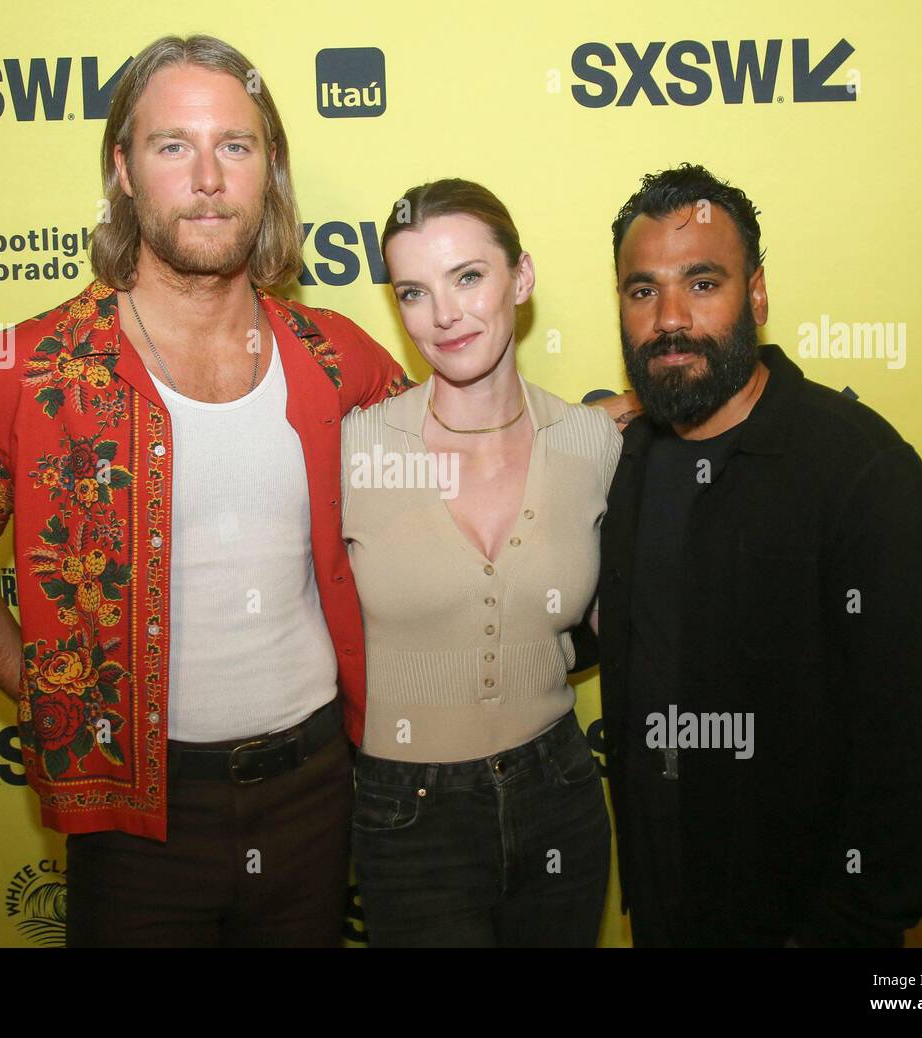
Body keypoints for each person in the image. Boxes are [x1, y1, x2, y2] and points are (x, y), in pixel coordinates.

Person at [0, 33, 412, 947]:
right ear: (124, 172)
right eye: (174, 146)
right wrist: (43, 686)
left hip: (319, 789)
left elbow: (448, 463)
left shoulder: (342, 358)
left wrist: (581, 425)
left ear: (270, 172)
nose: (208, 177)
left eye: (237, 146)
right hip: (132, 820)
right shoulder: (26, 370)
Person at [594, 162, 922, 947]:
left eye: (702, 284)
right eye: (643, 290)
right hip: (664, 903)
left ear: (756, 296)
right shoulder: (625, 462)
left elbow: (918, 741)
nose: (670, 318)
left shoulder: (858, 469)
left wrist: (850, 924)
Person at [340, 178, 624, 946]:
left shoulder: (591, 443)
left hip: (559, 788)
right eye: (413, 292)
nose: (445, 315)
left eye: (468, 277)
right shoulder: (355, 449)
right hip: (407, 812)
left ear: (520, 278)